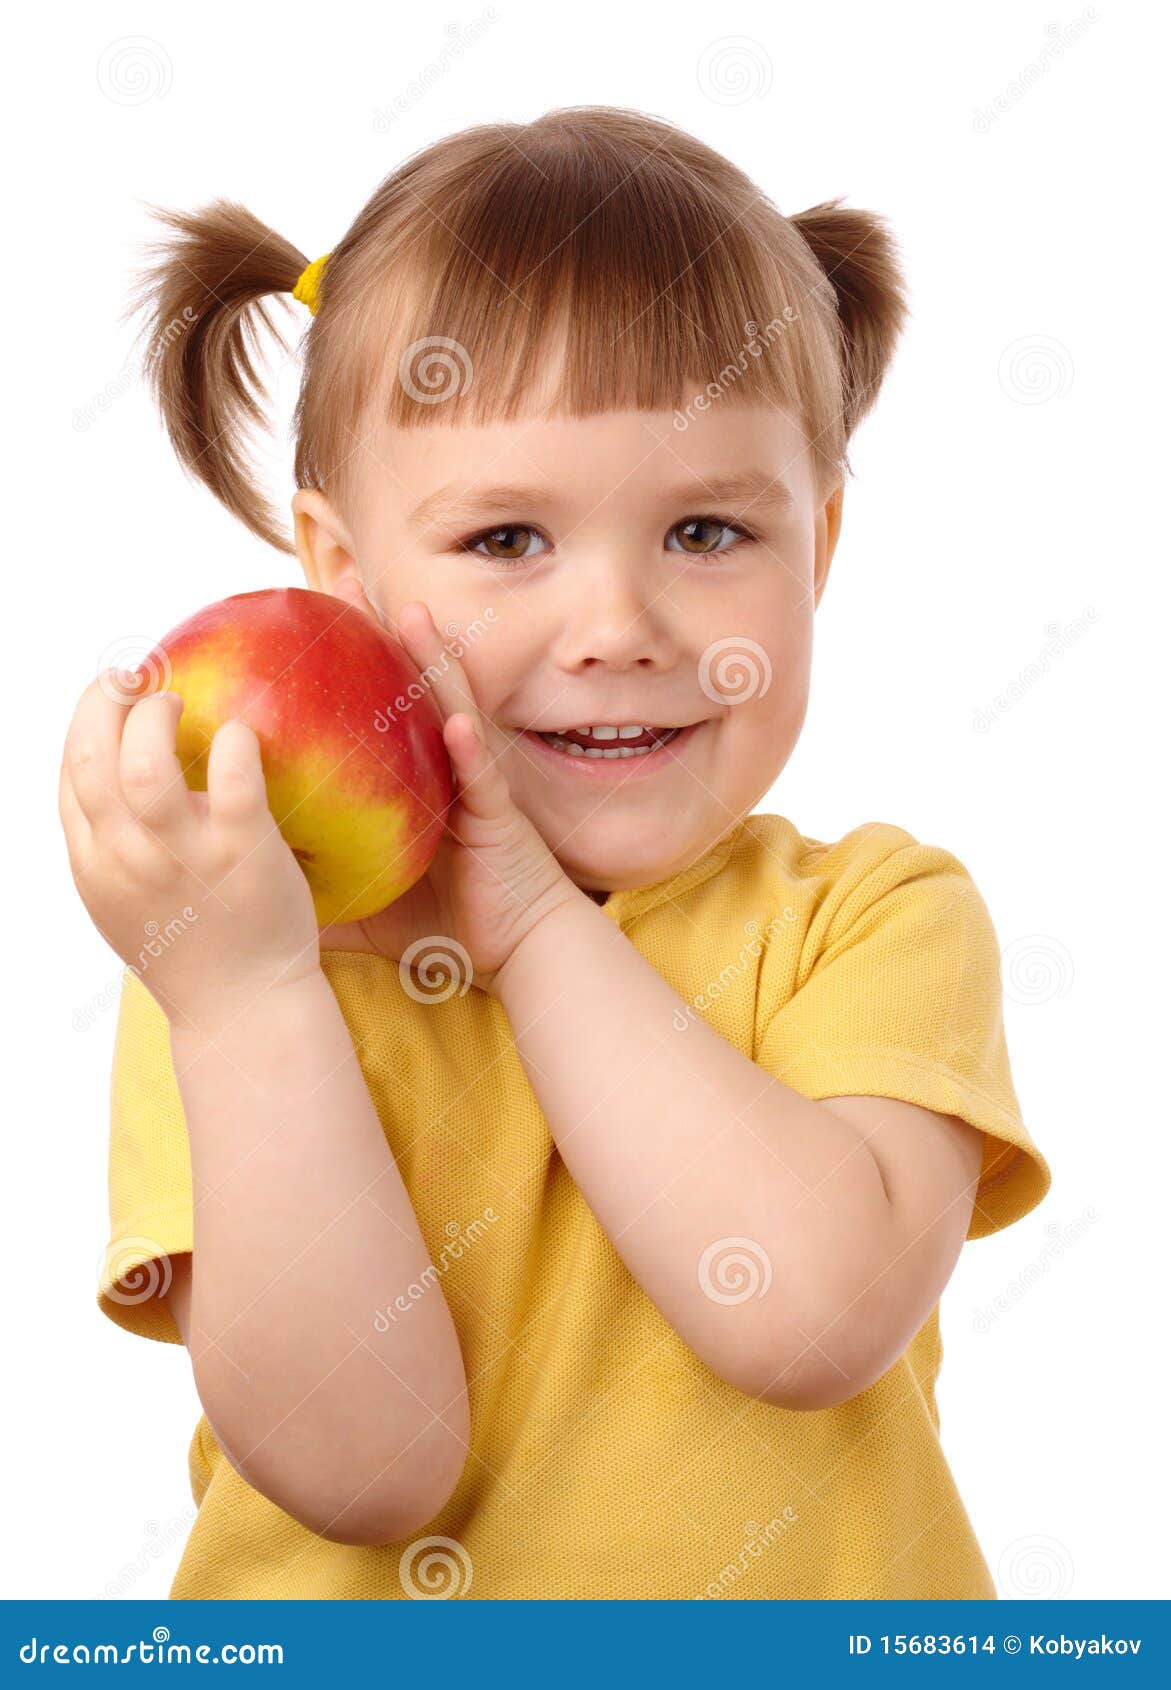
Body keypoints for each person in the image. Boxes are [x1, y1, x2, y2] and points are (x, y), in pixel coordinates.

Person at [59, 105, 1051, 1600]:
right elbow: (367, 1469)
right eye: (508, 540)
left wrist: (530, 925)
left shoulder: (875, 918)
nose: (617, 630)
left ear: (823, 548)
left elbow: (806, 1318)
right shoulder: (243, 959)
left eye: (707, 532)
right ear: (342, 574)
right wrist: (247, 1007)